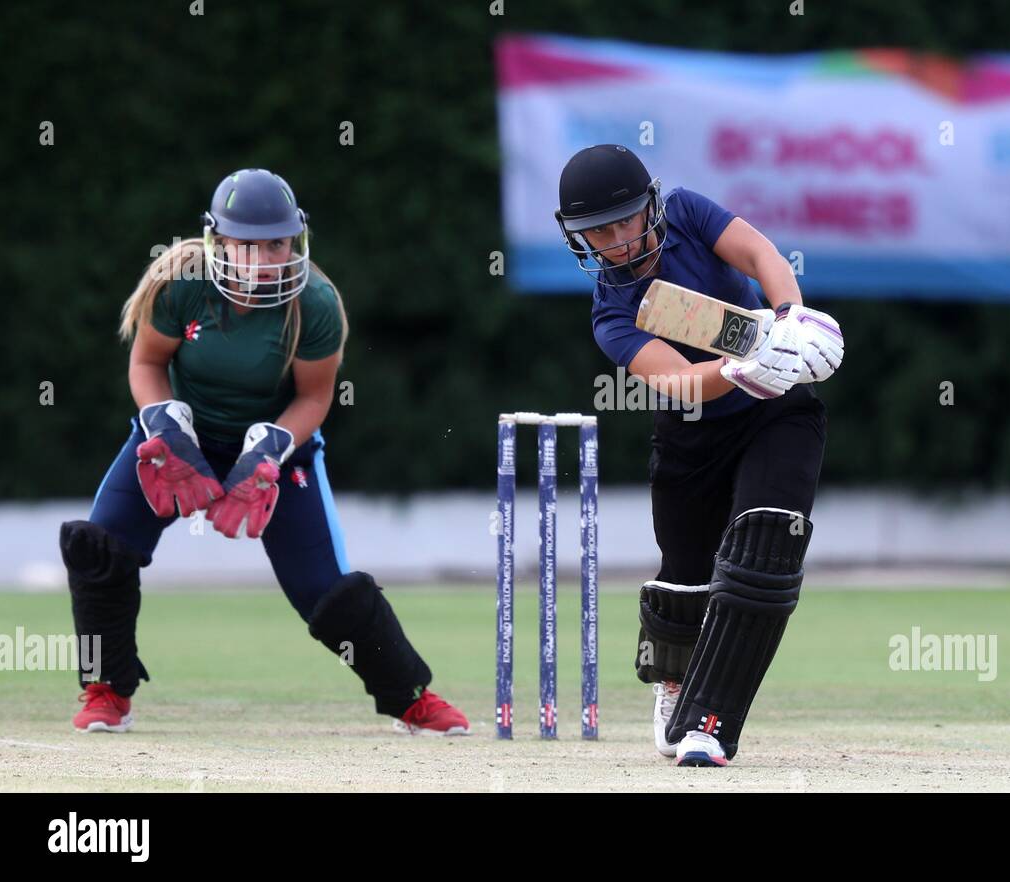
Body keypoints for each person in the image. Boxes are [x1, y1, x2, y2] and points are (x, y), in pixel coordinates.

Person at [61, 168, 469, 737]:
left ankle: (410, 699)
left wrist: (271, 449)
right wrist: (165, 422)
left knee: (327, 591)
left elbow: (314, 395)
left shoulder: (316, 303)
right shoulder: (180, 283)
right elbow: (147, 364)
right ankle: (105, 692)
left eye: (276, 243)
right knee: (98, 548)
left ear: (295, 238)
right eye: (246, 244)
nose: (263, 260)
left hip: (279, 447)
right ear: (217, 240)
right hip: (178, 439)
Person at [554, 145, 844, 766]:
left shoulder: (687, 213)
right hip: (694, 433)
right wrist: (746, 367)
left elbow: (761, 254)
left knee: (765, 543)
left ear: (650, 207)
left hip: (778, 412)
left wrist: (791, 321)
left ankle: (709, 726)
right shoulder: (612, 312)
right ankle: (675, 686)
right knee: (684, 576)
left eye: (624, 222)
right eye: (597, 233)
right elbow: (681, 383)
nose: (615, 242)